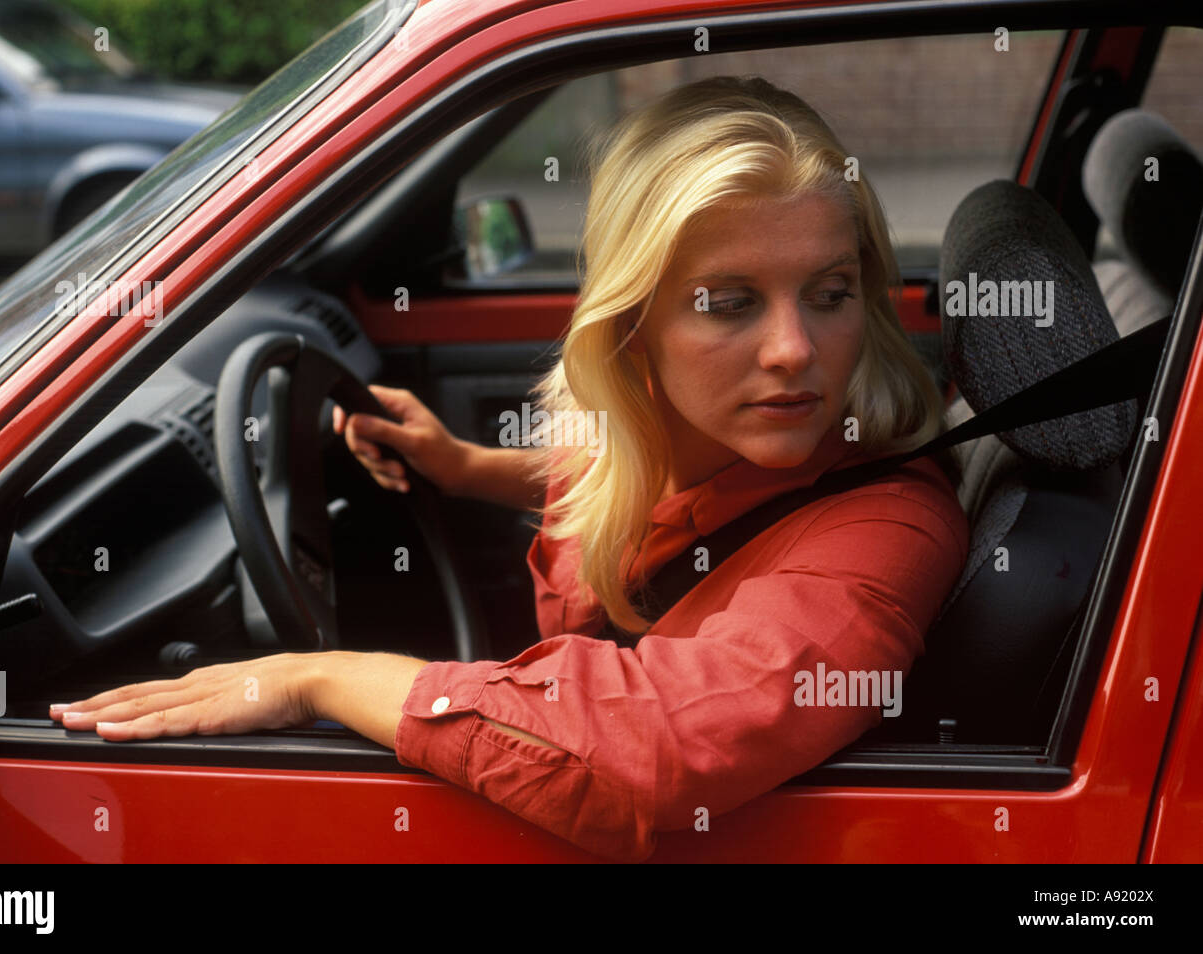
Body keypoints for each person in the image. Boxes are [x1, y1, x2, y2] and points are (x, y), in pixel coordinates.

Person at [49, 76, 969, 862]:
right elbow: (633, 480)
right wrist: (461, 466)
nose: (793, 350)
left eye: (831, 294)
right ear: (631, 326)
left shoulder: (884, 531)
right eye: (729, 303)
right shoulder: (708, 443)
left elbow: (650, 753)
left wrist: (320, 678)